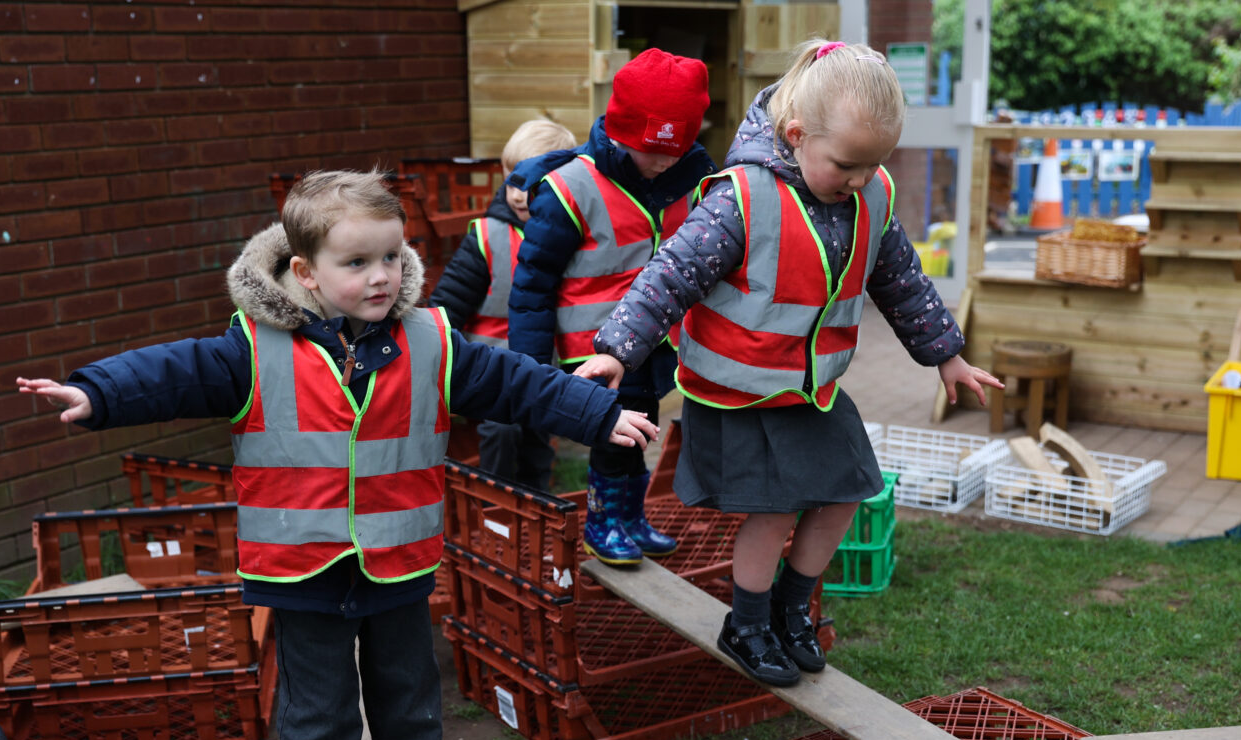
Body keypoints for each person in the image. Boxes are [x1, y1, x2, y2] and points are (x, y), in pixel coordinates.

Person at [16, 170, 657, 740]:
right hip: (305, 572)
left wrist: (599, 415)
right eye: (356, 263)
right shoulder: (251, 349)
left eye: (391, 256)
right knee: (316, 709)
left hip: (398, 564)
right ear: (305, 274)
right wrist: (95, 392)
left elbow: (519, 384)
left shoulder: (433, 338)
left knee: (408, 696)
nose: (382, 276)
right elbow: (170, 373)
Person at [576, 39, 1001, 686]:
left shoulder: (871, 194)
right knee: (773, 509)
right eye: (847, 164)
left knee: (846, 492)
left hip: (814, 391)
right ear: (797, 135)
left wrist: (947, 357)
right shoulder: (739, 197)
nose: (860, 178)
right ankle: (745, 624)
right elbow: (671, 275)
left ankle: (789, 608)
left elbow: (903, 279)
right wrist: (617, 349)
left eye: (874, 163)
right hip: (739, 390)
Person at [506, 48, 717, 565]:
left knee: (640, 428)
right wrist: (532, 367)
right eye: (651, 150)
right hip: (592, 347)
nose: (664, 161)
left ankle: (630, 517)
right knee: (610, 434)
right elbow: (532, 285)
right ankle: (604, 522)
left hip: (656, 342)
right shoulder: (570, 189)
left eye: (676, 148)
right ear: (621, 133)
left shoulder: (694, 185)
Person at [429, 118, 578, 490]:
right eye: (511, 179)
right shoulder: (486, 236)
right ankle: (494, 503)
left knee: (539, 432)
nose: (516, 193)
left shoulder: (573, 237)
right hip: (489, 363)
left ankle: (535, 503)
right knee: (503, 428)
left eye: (529, 183)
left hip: (545, 363)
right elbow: (449, 303)